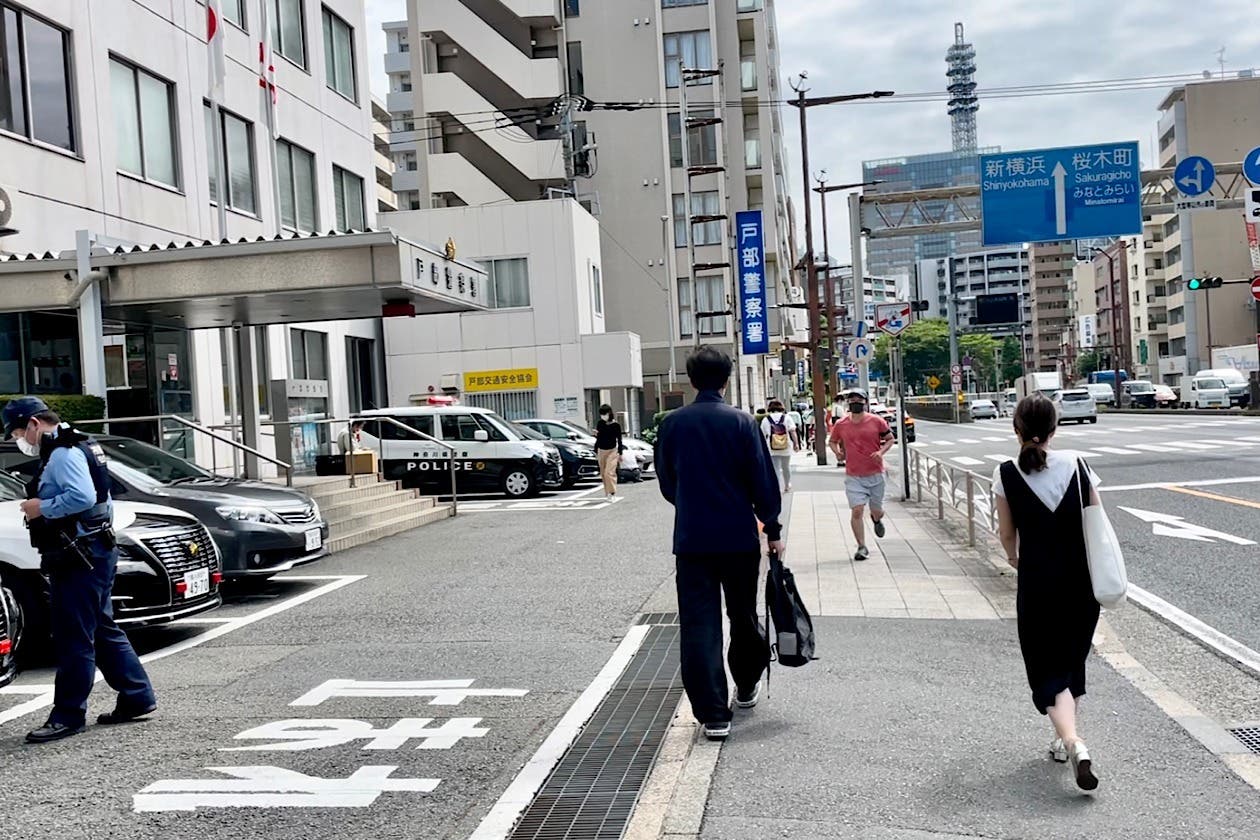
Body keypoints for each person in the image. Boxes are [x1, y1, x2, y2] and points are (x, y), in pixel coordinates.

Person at [3, 397, 156, 743]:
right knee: (101, 628)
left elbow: (82, 497)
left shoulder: (63, 452)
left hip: (79, 556)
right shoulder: (81, 442)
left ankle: (68, 715)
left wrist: (40, 507)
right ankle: (136, 696)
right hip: (94, 550)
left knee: (74, 636)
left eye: (16, 432)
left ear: (33, 424)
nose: (18, 441)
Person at [655, 347, 782, 741]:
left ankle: (713, 714)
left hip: (692, 539)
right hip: (739, 537)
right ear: (726, 380)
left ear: (691, 380)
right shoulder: (743, 423)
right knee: (743, 615)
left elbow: (667, 483)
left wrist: (693, 503)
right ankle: (745, 686)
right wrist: (772, 529)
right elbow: (763, 481)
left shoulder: (672, 424)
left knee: (699, 625)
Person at [993, 394, 1102, 792]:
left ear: (1015, 428)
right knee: (1070, 660)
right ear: (1055, 429)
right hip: (1082, 581)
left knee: (1046, 667)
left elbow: (1007, 535)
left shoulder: (1005, 472)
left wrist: (1014, 559)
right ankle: (1065, 738)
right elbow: (1097, 521)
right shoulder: (1077, 464)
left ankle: (1072, 741)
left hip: (1038, 581)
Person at [828, 388, 893, 561]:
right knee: (856, 511)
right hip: (854, 475)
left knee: (876, 510)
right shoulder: (841, 424)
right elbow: (832, 441)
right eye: (852, 400)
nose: (856, 402)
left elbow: (890, 439)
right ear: (848, 403)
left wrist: (881, 452)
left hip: (875, 473)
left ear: (865, 402)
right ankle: (862, 546)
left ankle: (876, 519)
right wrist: (837, 453)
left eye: (859, 400)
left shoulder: (877, 421)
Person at [760, 398, 800, 493]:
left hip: (772, 447)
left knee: (775, 469)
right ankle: (787, 484)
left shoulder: (766, 419)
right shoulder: (787, 418)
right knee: (786, 467)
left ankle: (777, 487)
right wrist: (796, 443)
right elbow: (793, 432)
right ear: (781, 407)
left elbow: (762, 434)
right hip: (786, 446)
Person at [594, 404, 623, 499]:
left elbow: (619, 439)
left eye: (604, 414)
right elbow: (599, 438)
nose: (603, 416)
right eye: (601, 414)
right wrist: (595, 449)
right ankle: (607, 492)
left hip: (612, 451)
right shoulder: (600, 423)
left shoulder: (616, 425)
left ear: (609, 413)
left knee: (609, 472)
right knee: (603, 473)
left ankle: (612, 492)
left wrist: (620, 453)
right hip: (601, 450)